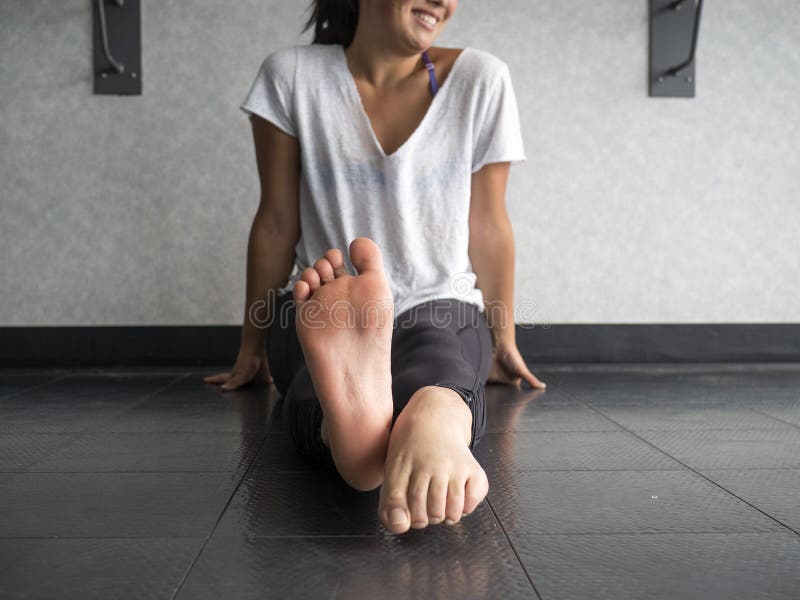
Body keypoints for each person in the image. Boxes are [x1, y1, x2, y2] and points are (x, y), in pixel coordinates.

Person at [204, 0, 547, 535]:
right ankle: (419, 410)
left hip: (440, 297)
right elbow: (276, 221)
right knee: (382, 354)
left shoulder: (481, 79)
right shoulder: (292, 76)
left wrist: (503, 339)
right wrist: (251, 348)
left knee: (437, 338)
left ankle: (404, 423)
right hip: (330, 300)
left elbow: (488, 225)